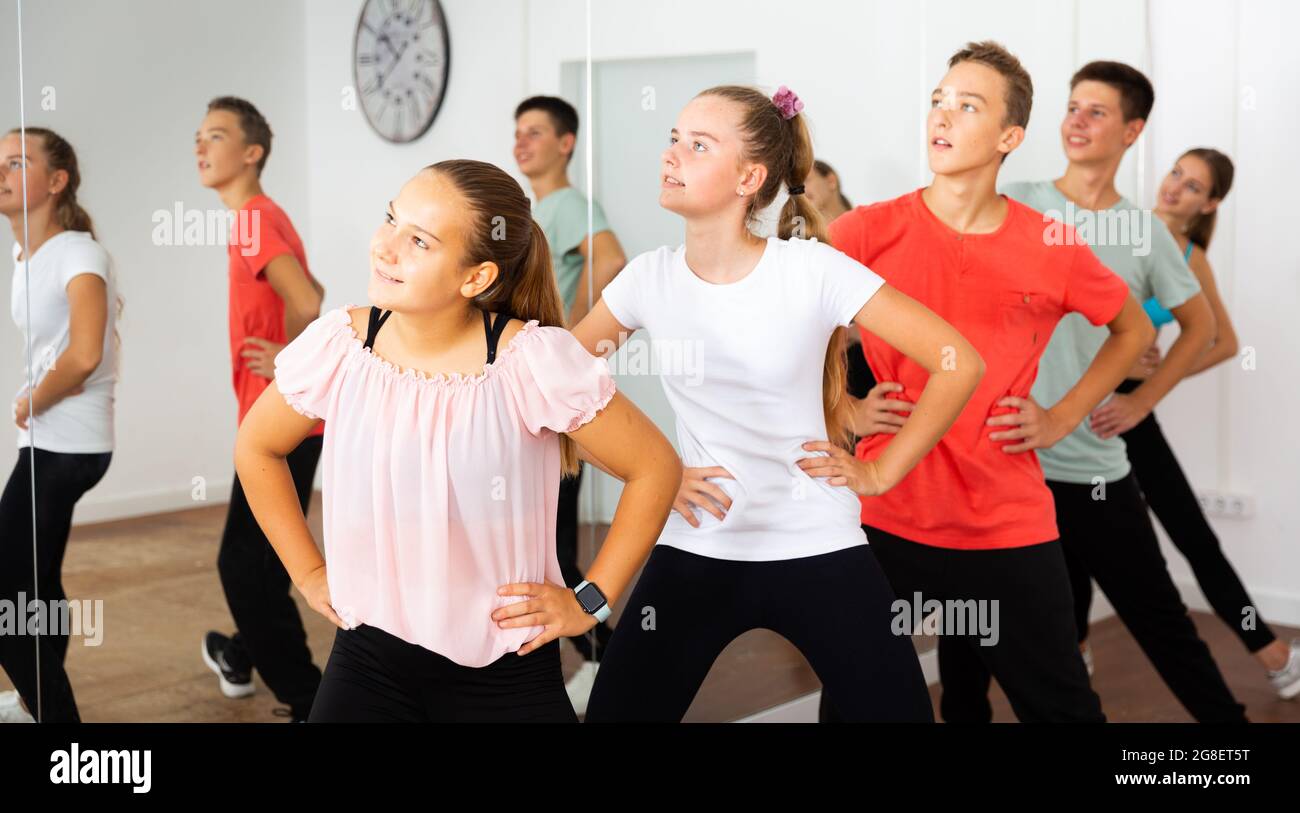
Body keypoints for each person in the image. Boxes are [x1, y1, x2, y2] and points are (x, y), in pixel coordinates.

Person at [576, 84, 984, 722]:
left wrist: (880, 471)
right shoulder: (647, 279)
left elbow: (958, 361)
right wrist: (652, 473)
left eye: (698, 144)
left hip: (816, 540)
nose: (672, 155)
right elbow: (554, 392)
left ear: (750, 177)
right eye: (673, 139)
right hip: (700, 546)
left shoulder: (811, 271)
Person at [234, 159, 680, 722]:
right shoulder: (341, 345)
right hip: (368, 661)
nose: (386, 247)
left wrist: (588, 599)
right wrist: (307, 572)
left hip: (505, 670)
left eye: (418, 240)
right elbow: (257, 447)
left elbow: (655, 467)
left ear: (476, 278)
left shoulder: (530, 361)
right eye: (391, 219)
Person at [822, 42, 1150, 723]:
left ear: (1009, 137)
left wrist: (1059, 417)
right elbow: (791, 335)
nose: (942, 116)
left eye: (967, 105)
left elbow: (1133, 332)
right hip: (885, 515)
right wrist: (844, 409)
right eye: (938, 100)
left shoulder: (1050, 242)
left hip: (1004, 522)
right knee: (859, 702)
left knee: (1061, 706)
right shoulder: (863, 232)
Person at [1000, 60, 1248, 722]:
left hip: (1089, 468)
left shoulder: (1142, 233)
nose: (1076, 121)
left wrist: (1143, 400)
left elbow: (1202, 329)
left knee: (1159, 619)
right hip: (1007, 464)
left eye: (1097, 111)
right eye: (1072, 106)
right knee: (1021, 633)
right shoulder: (1016, 200)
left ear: (1132, 130)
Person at [1075, 148, 1300, 698]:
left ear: (1209, 203)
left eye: (1193, 186)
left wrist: (1153, 383)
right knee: (1072, 533)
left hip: (1123, 407)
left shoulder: (1189, 255)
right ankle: (1074, 651)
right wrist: (1128, 348)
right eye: (1176, 172)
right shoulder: (1113, 224)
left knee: (1190, 533)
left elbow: (1224, 342)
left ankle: (1271, 653)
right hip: (1071, 397)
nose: (1174, 188)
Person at [195, 96, 326, 721]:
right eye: (198, 136)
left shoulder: (253, 217)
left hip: (284, 424)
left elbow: (305, 298)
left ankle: (311, 699)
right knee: (266, 558)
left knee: (242, 565)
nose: (201, 146)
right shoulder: (257, 216)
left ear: (252, 152)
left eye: (215, 136)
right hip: (283, 421)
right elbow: (315, 290)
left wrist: (290, 359)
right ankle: (241, 653)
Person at [513, 95, 628, 710]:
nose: (521, 142)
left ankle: (606, 654)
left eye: (535, 132)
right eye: (517, 133)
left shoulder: (570, 207)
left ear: (566, 144)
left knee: (551, 547)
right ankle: (602, 654)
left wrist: (574, 346)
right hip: (532, 395)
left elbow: (612, 261)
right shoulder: (539, 209)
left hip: (549, 396)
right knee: (546, 542)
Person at [0, 127, 118, 723]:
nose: (2, 172)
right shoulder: (28, 254)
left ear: (56, 181)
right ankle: (31, 701)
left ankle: (60, 727)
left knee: (7, 591)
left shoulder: (78, 252)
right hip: (48, 439)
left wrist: (31, 402)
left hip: (68, 444)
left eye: (17, 162)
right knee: (34, 583)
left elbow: (86, 352)